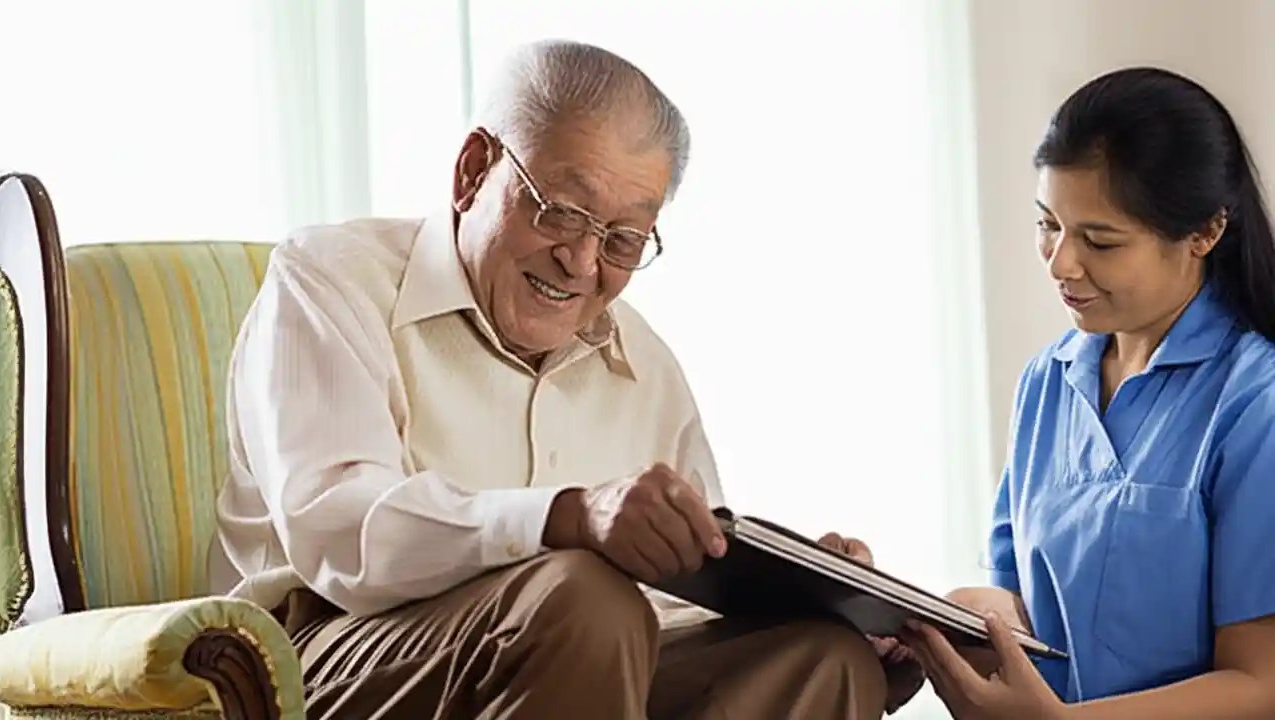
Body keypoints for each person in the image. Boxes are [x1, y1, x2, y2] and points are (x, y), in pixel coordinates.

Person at [210, 40, 923, 719]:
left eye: (622, 240)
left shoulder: (644, 360)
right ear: (473, 170)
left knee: (823, 657)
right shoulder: (331, 278)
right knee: (584, 598)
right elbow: (338, 529)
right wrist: (570, 516)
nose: (582, 264)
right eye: (561, 212)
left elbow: (688, 586)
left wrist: (821, 599)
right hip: (320, 657)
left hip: (584, 651)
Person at [901, 67, 1275, 718]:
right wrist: (950, 619)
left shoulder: (1255, 402)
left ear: (1204, 233)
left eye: (1099, 240)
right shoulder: (1049, 382)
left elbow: (1259, 682)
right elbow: (1033, 607)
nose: (1060, 263)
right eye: (1048, 224)